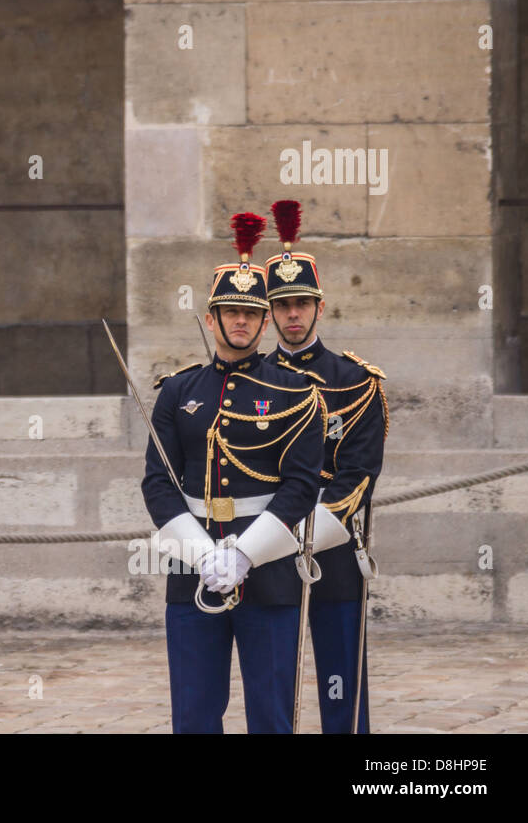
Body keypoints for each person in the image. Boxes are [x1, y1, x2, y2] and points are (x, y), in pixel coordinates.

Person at [142, 212, 324, 733]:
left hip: (267, 568)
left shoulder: (294, 392)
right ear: (210, 317)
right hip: (193, 567)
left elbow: (301, 486)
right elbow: (158, 482)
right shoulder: (178, 392)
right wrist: (204, 554)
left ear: (264, 321)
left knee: (270, 713)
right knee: (195, 713)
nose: (240, 322)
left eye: (250, 313)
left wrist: (245, 553)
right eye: (229, 311)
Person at [262, 200, 388, 734]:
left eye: (302, 303)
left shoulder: (356, 382)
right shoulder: (249, 380)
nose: (293, 313)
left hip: (332, 547)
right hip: (263, 550)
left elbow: (358, 474)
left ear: (320, 306)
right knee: (270, 687)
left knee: (342, 685)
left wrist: (306, 530)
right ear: (269, 311)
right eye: (283, 304)